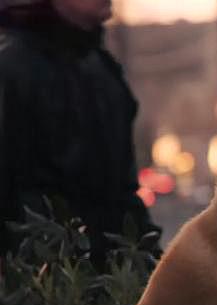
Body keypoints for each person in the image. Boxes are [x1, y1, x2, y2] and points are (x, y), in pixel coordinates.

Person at [0, 0, 160, 271]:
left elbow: (123, 193)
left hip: (109, 282)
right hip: (39, 281)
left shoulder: (102, 70)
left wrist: (151, 266)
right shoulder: (11, 69)